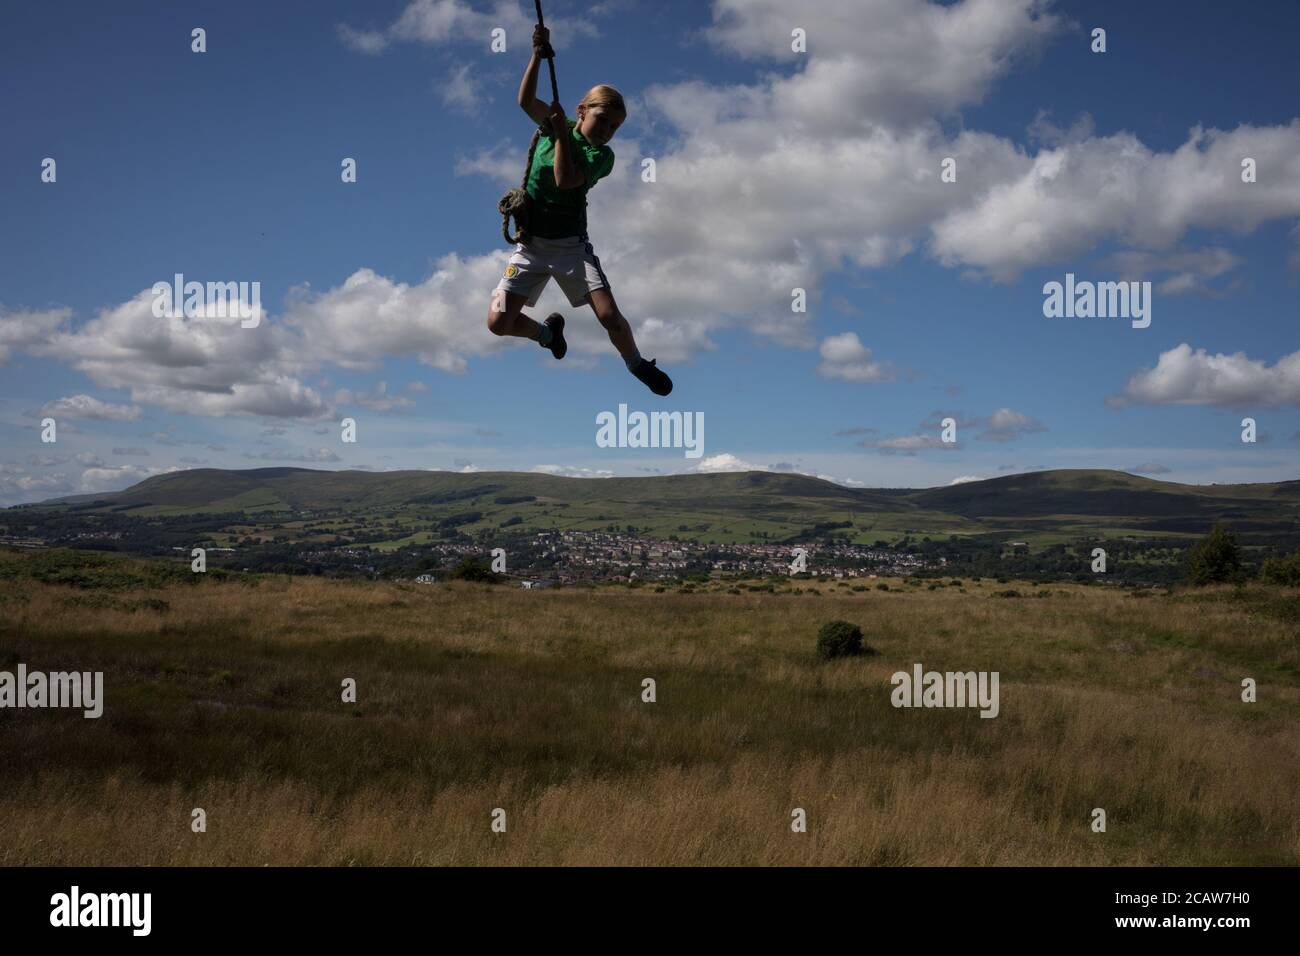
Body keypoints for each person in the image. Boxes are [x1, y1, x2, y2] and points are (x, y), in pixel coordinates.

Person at [486, 23, 672, 396]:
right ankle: (547, 334)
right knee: (498, 322)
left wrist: (557, 136)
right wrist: (536, 57)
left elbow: (564, 178)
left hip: (571, 247)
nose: (607, 130)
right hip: (531, 245)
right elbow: (525, 100)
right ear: (581, 111)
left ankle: (636, 363)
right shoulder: (558, 126)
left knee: (607, 315)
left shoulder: (601, 156)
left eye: (615, 127)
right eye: (602, 120)